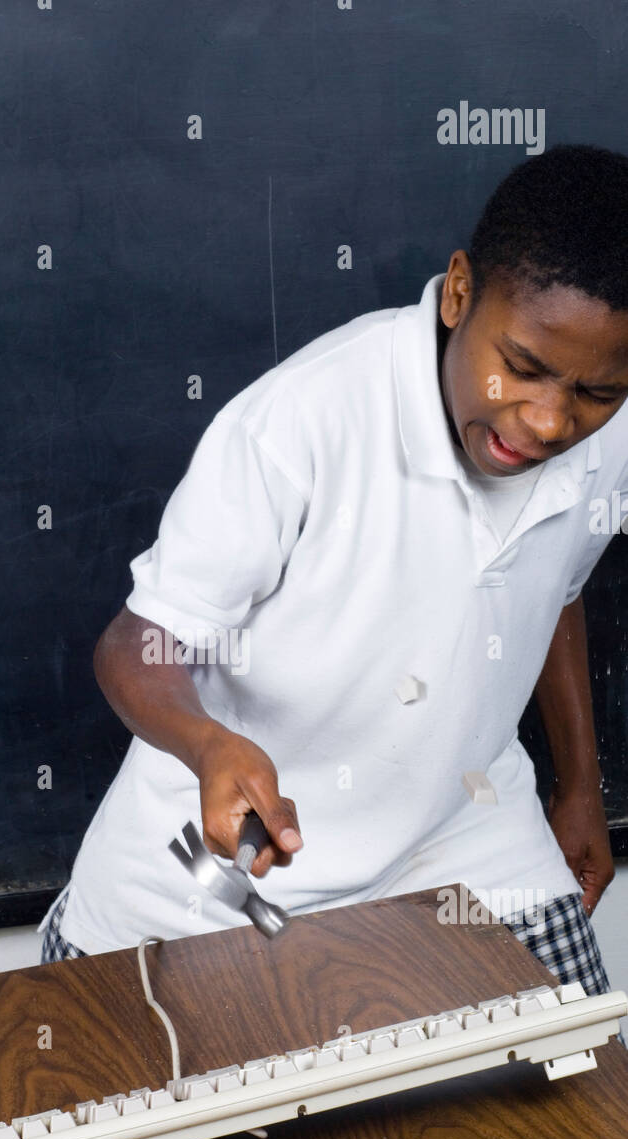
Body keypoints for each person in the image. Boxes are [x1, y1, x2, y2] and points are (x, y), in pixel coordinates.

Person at [40, 143, 628, 1008]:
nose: (546, 420)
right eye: (524, 367)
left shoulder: (605, 435)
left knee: (586, 1101)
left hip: (460, 828)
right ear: (460, 291)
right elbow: (136, 642)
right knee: (188, 1133)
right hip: (228, 865)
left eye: (595, 392)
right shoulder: (304, 421)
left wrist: (580, 787)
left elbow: (553, 586)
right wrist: (209, 746)